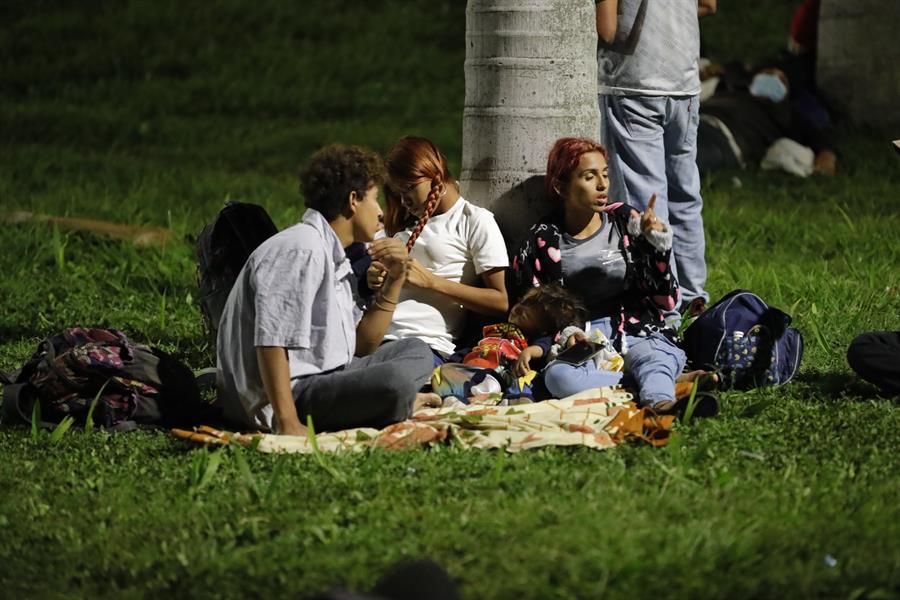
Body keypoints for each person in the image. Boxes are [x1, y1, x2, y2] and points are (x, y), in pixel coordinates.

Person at [216, 144, 437, 435]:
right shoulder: (301, 249)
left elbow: (360, 348)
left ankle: (390, 402)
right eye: (374, 199)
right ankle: (395, 402)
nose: (382, 212)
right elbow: (271, 340)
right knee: (394, 382)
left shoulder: (333, 254)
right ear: (353, 201)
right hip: (290, 394)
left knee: (417, 350)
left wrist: (395, 281)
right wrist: (288, 421)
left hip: (329, 376)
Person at [512, 137, 713, 413]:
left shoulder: (624, 220)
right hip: (585, 340)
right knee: (559, 377)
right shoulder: (543, 240)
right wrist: (566, 334)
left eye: (605, 174)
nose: (603, 184)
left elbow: (667, 300)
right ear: (561, 186)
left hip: (635, 329)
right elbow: (535, 311)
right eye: (589, 176)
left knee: (653, 357)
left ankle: (661, 403)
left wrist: (655, 244)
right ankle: (662, 383)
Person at [595, 0, 716, 319]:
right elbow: (709, 5)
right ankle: (693, 298)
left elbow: (606, 31)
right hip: (684, 84)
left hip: (633, 83)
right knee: (685, 196)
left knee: (646, 203)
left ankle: (664, 308)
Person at [368, 136, 509, 363]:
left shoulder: (474, 221)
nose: (405, 201)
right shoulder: (400, 223)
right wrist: (374, 277)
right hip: (374, 336)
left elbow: (500, 302)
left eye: (410, 188)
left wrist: (431, 282)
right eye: (398, 192)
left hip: (423, 344)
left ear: (434, 176)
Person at [697, 66, 838, 175]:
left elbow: (821, 139)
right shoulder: (731, 90)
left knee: (686, 158)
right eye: (769, 73)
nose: (774, 77)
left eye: (782, 79)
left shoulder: (785, 115)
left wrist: (826, 159)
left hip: (726, 138)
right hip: (696, 121)